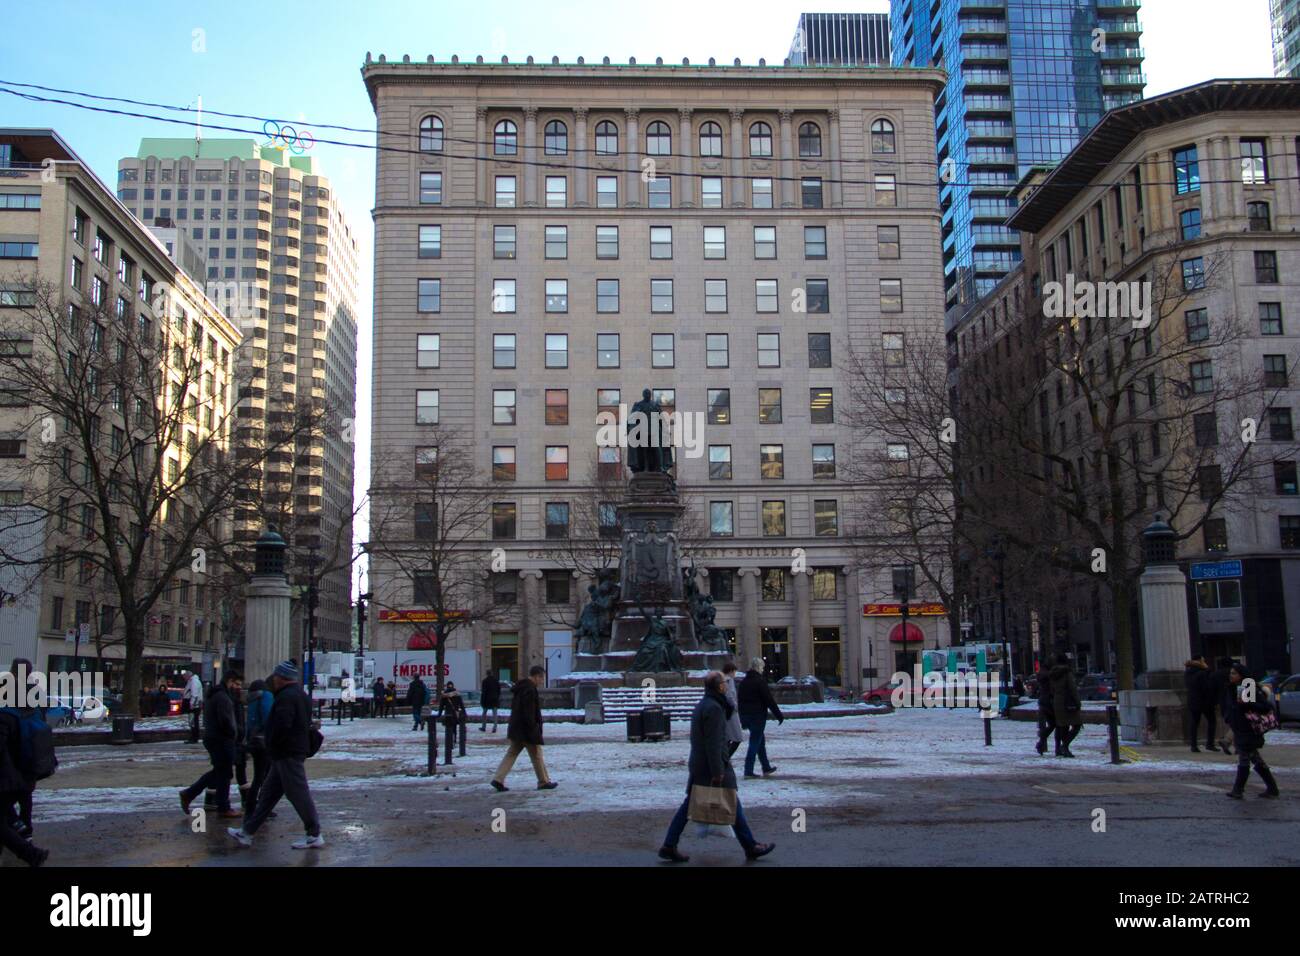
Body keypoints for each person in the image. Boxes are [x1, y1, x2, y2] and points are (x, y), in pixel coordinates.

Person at [657, 671, 775, 864]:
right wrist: (718, 771)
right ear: (718, 687)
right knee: (729, 802)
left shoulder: (706, 705)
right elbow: (714, 743)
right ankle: (750, 846)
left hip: (702, 764)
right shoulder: (713, 708)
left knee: (701, 805)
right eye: (723, 683)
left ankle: (670, 845)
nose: (726, 686)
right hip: (710, 766)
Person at [228, 660, 324, 849]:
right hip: (288, 752)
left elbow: (282, 725)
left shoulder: (286, 698)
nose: (274, 680)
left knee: (298, 793)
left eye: (276, 676)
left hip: (287, 753)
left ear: (282, 678)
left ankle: (314, 834)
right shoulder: (300, 695)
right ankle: (247, 832)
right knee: (268, 796)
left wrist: (270, 743)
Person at [179, 671, 243, 819]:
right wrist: (234, 734)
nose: (238, 687)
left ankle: (195, 796)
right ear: (230, 681)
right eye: (237, 684)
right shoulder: (222, 697)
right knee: (224, 772)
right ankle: (220, 805)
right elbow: (226, 720)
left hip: (215, 738)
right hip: (222, 739)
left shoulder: (216, 695)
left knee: (221, 772)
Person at [490, 665, 556, 791]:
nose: (542, 682)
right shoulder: (530, 690)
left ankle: (498, 778)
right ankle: (543, 782)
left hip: (517, 728)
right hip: (526, 730)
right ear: (537, 677)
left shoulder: (521, 687)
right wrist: (534, 729)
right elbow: (529, 712)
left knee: (512, 753)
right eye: (542, 679)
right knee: (536, 755)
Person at [1222, 664, 1280, 799]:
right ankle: (1272, 788)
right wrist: (1229, 717)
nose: (1231, 675)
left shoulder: (1247, 687)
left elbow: (1265, 707)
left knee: (1244, 759)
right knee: (1255, 759)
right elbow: (1233, 708)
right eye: (1231, 673)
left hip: (1249, 730)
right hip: (1240, 729)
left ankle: (1238, 790)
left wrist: (1247, 704)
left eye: (1234, 673)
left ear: (1241, 675)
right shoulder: (1233, 687)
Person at [0, 705, 47, 867]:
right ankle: (25, 833)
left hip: (7, 779)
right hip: (27, 773)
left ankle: (31, 853)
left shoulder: (4, 716)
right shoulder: (30, 711)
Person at [737, 657, 783, 778]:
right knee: (754, 742)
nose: (763, 669)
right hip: (757, 716)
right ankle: (748, 770)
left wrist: (742, 717)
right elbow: (769, 700)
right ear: (759, 667)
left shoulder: (744, 682)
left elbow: (740, 700)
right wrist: (778, 715)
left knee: (759, 742)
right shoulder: (759, 681)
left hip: (746, 716)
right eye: (762, 667)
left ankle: (765, 766)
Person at [243, 678, 274, 814]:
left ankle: (251, 804)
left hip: (254, 739)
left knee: (258, 775)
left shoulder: (252, 698)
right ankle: (261, 806)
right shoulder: (266, 696)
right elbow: (268, 717)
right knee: (265, 776)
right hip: (264, 740)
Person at [1049, 654, 1082, 757]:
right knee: (1077, 725)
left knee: (1061, 726)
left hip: (1057, 701)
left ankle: (1058, 748)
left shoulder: (1053, 674)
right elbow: (1072, 689)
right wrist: (1077, 702)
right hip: (1068, 702)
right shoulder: (1067, 673)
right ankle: (1065, 746)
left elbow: (1051, 689)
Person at [1183, 656, 1217, 753]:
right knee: (1212, 722)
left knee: (1194, 723)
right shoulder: (1203, 673)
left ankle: (1193, 745)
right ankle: (1210, 744)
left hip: (1193, 700)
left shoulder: (1187, 672)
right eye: (1203, 660)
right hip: (1205, 701)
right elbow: (1208, 686)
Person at [1208, 657, 1235, 754]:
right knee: (1238, 724)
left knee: (1232, 723)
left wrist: (1214, 702)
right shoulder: (1236, 675)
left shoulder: (1215, 675)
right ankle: (1228, 741)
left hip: (1222, 701)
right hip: (1234, 701)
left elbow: (1211, 689)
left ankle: (1230, 742)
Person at [438, 682, 469, 763]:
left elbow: (441, 706)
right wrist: (464, 712)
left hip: (448, 714)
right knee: (454, 727)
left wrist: (439, 714)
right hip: (455, 714)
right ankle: (454, 739)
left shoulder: (445, 696)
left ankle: (450, 742)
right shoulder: (457, 695)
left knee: (448, 729)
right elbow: (461, 705)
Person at [721, 660, 744, 757]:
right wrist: (736, 706)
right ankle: (725, 758)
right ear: (730, 671)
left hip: (726, 712)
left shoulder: (722, 680)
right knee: (737, 738)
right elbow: (730, 696)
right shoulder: (729, 681)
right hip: (731, 713)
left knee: (728, 738)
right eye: (734, 671)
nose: (735, 674)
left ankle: (723, 757)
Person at [1035, 667, 1056, 756]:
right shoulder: (1051, 677)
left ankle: (1041, 740)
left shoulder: (1042, 676)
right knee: (1056, 724)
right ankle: (1042, 740)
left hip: (1043, 702)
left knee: (1053, 724)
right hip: (1049, 702)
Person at [183, 670, 203, 742]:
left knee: (193, 722)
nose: (184, 679)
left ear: (188, 676)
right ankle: (194, 737)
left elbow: (194, 694)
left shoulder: (193, 682)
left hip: (194, 706)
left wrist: (192, 704)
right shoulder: (192, 681)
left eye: (184, 677)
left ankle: (194, 738)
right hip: (195, 705)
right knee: (193, 721)